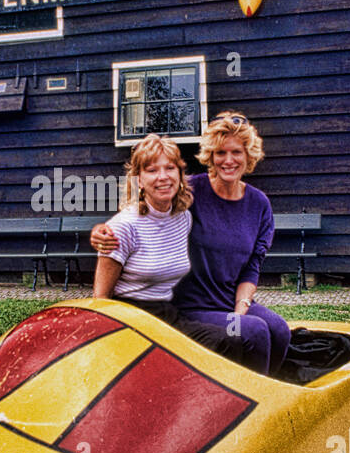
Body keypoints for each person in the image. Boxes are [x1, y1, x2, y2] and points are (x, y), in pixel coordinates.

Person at [93, 112, 291, 376]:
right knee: (254, 332)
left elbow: (253, 265)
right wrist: (100, 232)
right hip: (191, 306)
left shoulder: (259, 204)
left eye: (236, 152)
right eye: (220, 153)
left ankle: (272, 389)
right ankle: (249, 402)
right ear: (210, 156)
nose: (228, 160)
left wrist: (241, 309)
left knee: (278, 330)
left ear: (249, 156)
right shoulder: (190, 192)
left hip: (233, 301)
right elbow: (150, 207)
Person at [93, 133, 243, 361]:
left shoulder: (183, 218)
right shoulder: (123, 227)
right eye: (152, 170)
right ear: (139, 180)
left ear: (180, 175)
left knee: (229, 340)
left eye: (170, 168)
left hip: (168, 313)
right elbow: (101, 299)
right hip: (132, 319)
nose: (163, 177)